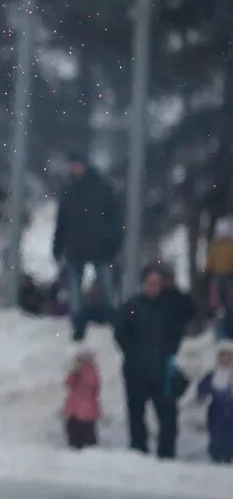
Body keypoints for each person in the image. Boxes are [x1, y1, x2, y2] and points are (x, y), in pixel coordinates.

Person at [115, 264, 193, 458]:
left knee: (167, 417)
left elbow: (189, 311)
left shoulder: (170, 305)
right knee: (136, 414)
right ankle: (138, 451)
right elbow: (120, 331)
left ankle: (166, 455)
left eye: (157, 283)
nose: (153, 287)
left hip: (161, 370)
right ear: (143, 285)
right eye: (149, 283)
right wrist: (131, 354)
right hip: (136, 370)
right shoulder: (132, 306)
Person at [53, 154, 123, 341]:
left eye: (77, 165)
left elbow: (115, 218)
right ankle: (78, 324)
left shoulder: (102, 188)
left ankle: (113, 322)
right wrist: (57, 247)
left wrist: (113, 241)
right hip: (76, 246)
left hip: (100, 246)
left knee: (106, 287)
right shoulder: (70, 190)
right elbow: (62, 222)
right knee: (75, 289)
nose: (75, 169)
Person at [197, 342, 233, 463]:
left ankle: (228, 455)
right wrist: (202, 394)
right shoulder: (212, 374)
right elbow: (203, 388)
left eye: (228, 357)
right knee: (216, 433)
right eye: (222, 357)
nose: (225, 360)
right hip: (216, 410)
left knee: (229, 434)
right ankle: (215, 454)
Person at [62, 345, 101, 449]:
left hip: (87, 407)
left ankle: (90, 448)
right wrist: (74, 372)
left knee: (87, 430)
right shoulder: (75, 371)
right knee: (72, 429)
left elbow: (91, 384)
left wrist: (82, 371)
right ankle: (74, 445)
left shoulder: (92, 370)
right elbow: (68, 384)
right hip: (73, 408)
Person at [206, 217, 233, 340]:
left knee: (229, 296)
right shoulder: (215, 246)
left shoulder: (231, 245)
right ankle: (217, 312)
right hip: (217, 275)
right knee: (216, 296)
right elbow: (210, 260)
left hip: (229, 275)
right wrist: (208, 269)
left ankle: (228, 310)